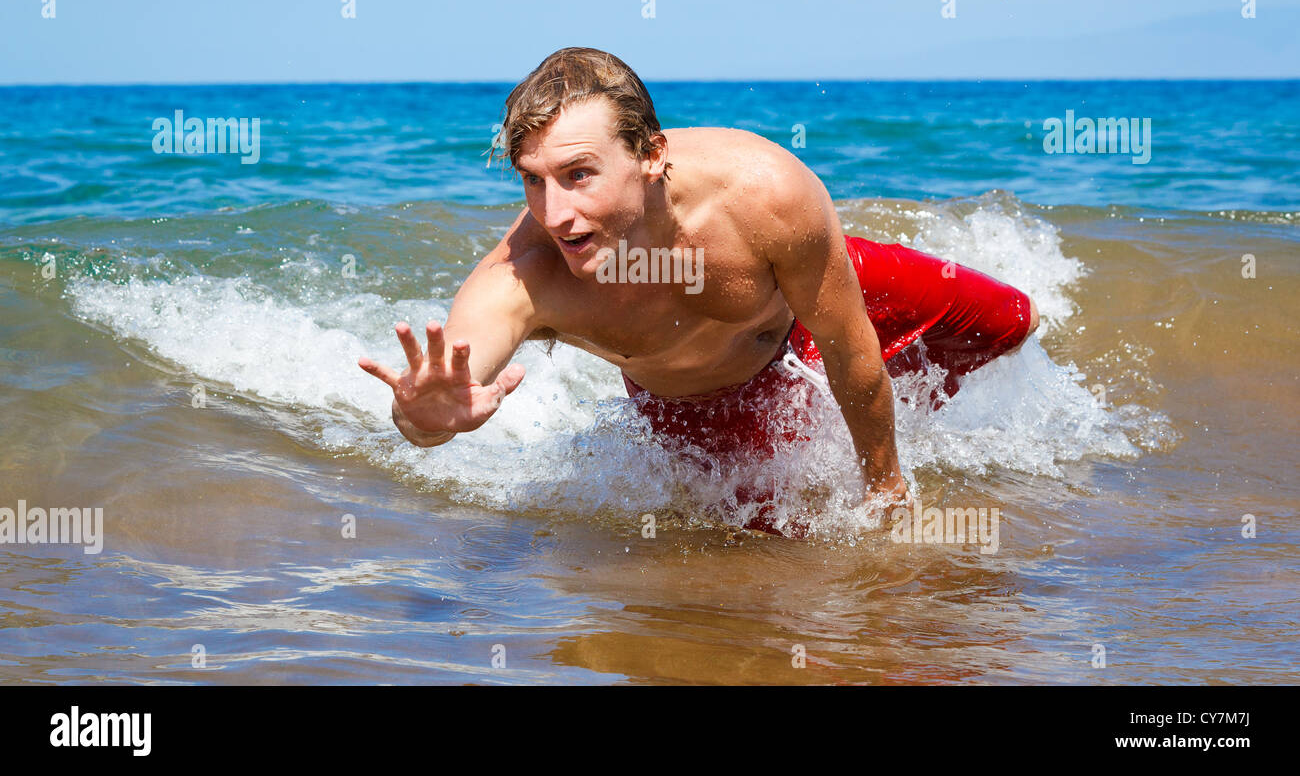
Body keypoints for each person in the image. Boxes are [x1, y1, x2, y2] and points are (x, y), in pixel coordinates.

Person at [358, 47, 1038, 533]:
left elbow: (848, 350)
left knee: (1014, 322)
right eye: (532, 178)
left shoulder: (765, 196)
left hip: (819, 293)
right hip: (703, 403)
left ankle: (961, 435)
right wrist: (424, 419)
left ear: (652, 156)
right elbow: (441, 401)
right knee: (767, 547)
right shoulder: (526, 280)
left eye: (579, 174)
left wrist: (887, 491)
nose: (555, 212)